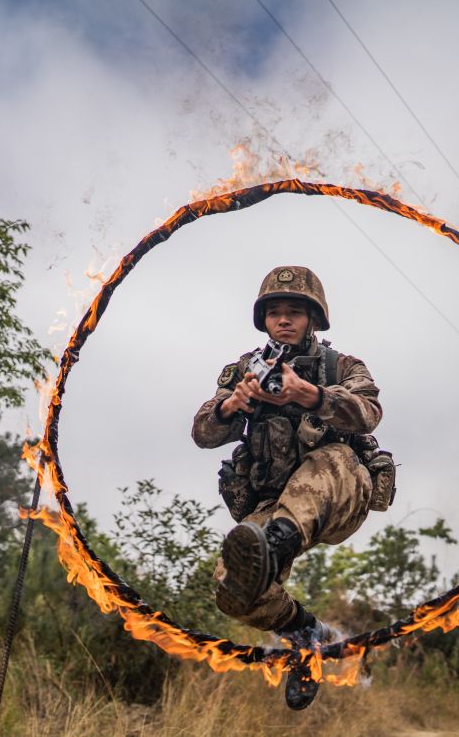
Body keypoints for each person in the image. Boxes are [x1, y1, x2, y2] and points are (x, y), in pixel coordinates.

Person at [192, 265, 387, 710]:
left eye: (294, 312)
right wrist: (232, 406)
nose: (284, 320)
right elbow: (202, 433)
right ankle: (306, 636)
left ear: (313, 319)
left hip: (337, 497)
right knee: (232, 586)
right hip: (273, 503)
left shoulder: (342, 366)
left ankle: (275, 546)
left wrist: (312, 395)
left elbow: (369, 411)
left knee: (331, 458)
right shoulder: (245, 370)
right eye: (275, 312)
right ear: (263, 319)